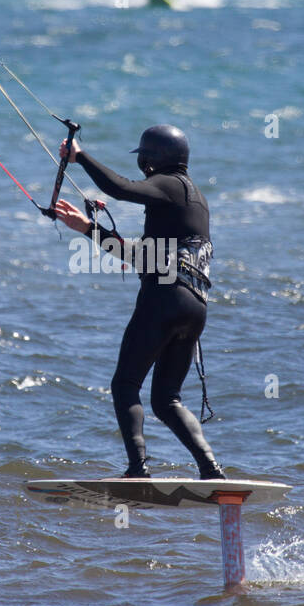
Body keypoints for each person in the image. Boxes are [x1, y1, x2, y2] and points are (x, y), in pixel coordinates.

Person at [54, 125, 225, 480]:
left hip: (164, 298)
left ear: (152, 159)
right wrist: (88, 228)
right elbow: (144, 257)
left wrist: (80, 156)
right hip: (195, 306)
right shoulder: (194, 200)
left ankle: (137, 469)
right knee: (166, 400)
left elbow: (121, 188)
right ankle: (211, 469)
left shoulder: (170, 183)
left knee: (125, 384)